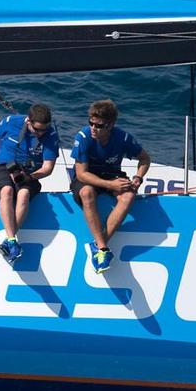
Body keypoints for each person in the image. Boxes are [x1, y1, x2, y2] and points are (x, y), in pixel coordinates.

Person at [70, 99, 151, 274]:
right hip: (88, 176)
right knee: (87, 193)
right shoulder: (83, 138)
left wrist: (138, 177)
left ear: (110, 125)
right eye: (90, 123)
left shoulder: (123, 137)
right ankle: (103, 248)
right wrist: (109, 184)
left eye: (98, 125)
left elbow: (145, 159)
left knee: (128, 196)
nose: (93, 128)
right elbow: (82, 174)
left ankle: (99, 246)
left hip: (112, 174)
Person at [0, 104, 60, 265]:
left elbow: (48, 168)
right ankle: (12, 240)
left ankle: (9, 241)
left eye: (44, 130)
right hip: (4, 166)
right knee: (6, 190)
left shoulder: (51, 135)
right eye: (37, 129)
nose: (41, 133)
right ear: (28, 121)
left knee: (23, 194)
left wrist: (30, 176)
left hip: (28, 172)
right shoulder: (12, 122)